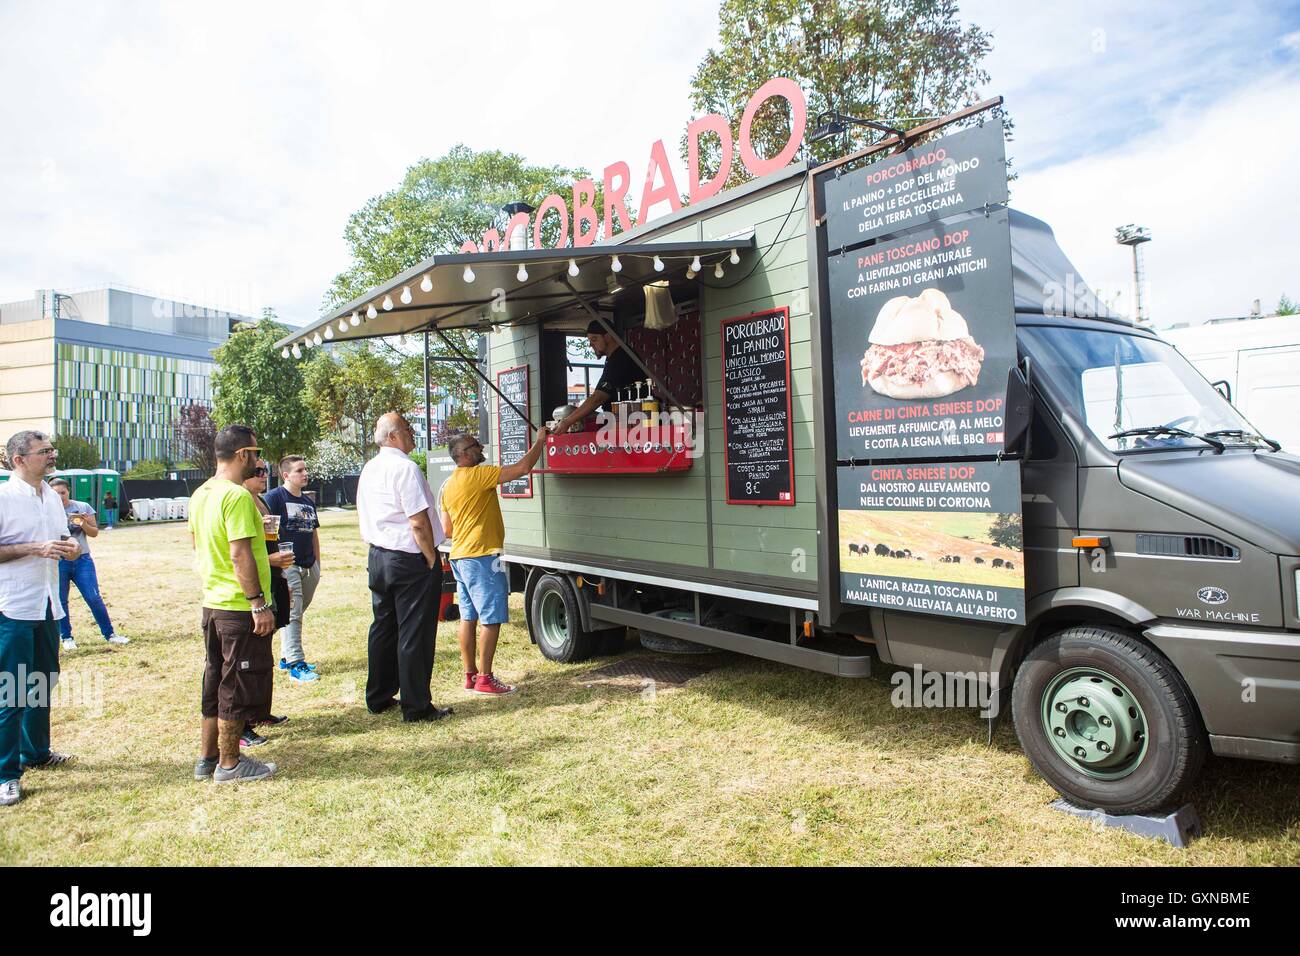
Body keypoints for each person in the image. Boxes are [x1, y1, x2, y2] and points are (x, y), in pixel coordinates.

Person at [188, 424, 277, 784]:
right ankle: (230, 763)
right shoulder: (237, 496)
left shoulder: (201, 493)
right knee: (236, 685)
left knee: (215, 680)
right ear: (243, 455)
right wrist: (258, 603)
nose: (257, 464)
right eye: (255, 455)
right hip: (239, 607)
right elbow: (240, 554)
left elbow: (198, 545)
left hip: (213, 604)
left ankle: (208, 758)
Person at [0, 430, 80, 807]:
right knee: (12, 692)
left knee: (42, 682)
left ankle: (36, 753)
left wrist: (71, 546)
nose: (51, 455)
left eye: (51, 449)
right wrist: (34, 548)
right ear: (18, 459)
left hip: (48, 606)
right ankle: (6, 774)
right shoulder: (3, 497)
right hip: (12, 607)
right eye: (43, 451)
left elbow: (64, 537)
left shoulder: (51, 495)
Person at [356, 413, 449, 723]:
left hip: (379, 556)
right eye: (408, 429)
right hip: (409, 558)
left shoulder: (371, 467)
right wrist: (431, 558)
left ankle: (379, 695)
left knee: (383, 627)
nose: (412, 434)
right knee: (415, 632)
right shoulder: (405, 468)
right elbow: (418, 521)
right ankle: (417, 705)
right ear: (393, 436)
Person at [440, 426, 547, 695]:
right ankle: (485, 679)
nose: (482, 448)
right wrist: (540, 441)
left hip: (460, 557)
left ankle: (470, 676)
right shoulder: (478, 475)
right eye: (476, 445)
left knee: (468, 617)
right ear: (464, 454)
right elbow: (522, 468)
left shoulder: (449, 484)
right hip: (482, 557)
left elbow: (447, 530)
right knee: (491, 617)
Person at [240, 458, 295, 746]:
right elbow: (239, 552)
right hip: (253, 587)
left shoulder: (260, 500)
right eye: (258, 471)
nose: (264, 475)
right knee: (248, 657)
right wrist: (270, 559)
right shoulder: (240, 502)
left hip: (273, 579)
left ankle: (260, 711)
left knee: (263, 652)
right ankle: (243, 722)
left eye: (265, 471)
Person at [48, 478, 129, 650]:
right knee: (61, 600)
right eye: (56, 493)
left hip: (82, 559)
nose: (60, 496)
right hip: (59, 560)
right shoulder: (46, 510)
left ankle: (110, 634)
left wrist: (83, 522)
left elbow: (94, 533)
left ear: (69, 491)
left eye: (63, 492)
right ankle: (67, 637)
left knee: (93, 597)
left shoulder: (82, 507)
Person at [264, 455, 321, 683]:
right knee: (294, 612)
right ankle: (297, 664)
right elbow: (265, 530)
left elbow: (314, 533)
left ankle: (286, 656)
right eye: (299, 470)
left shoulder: (308, 502)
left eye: (305, 469)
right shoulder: (275, 498)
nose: (305, 474)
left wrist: (318, 563)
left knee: (293, 612)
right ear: (286, 475)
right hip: (288, 567)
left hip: (309, 566)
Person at [553, 320, 646, 433]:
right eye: (589, 340)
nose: (591, 344)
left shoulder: (620, 358)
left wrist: (567, 422)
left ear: (608, 336)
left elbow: (599, 397)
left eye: (594, 339)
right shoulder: (614, 357)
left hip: (633, 426)